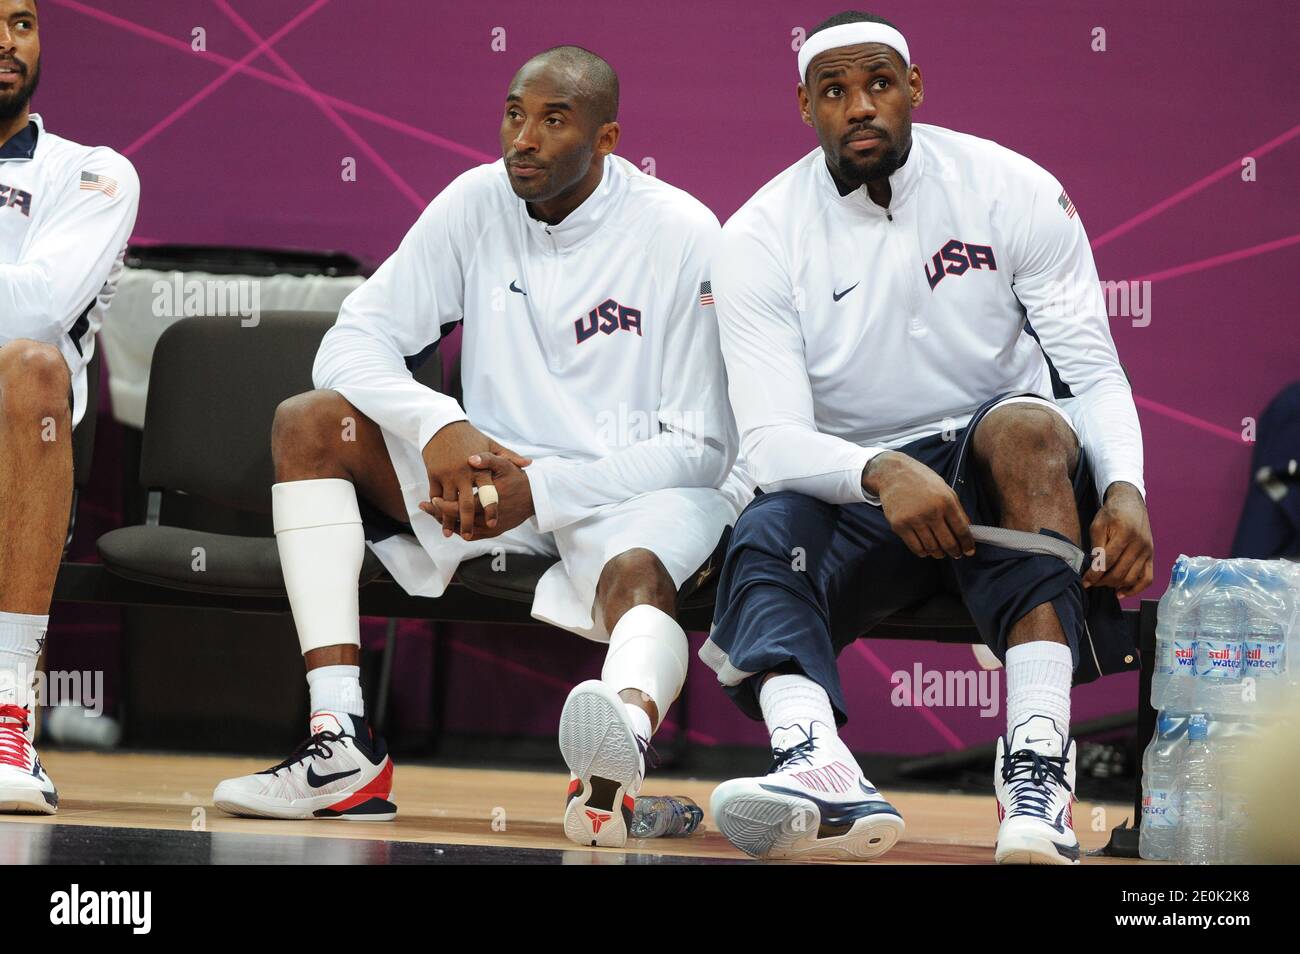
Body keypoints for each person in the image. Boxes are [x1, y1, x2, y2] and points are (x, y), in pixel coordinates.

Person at [213, 46, 742, 848]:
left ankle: (615, 769)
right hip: (490, 481)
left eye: (553, 120)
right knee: (311, 420)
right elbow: (351, 342)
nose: (521, 139)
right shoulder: (476, 201)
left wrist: (549, 490)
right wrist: (438, 424)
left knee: (636, 574)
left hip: (635, 490)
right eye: (513, 113)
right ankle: (341, 742)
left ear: (607, 139)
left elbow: (702, 447)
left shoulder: (681, 229)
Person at [703, 11, 1152, 863]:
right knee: (763, 533)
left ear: (915, 88)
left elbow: (1090, 374)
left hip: (997, 472)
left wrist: (1127, 486)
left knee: (1028, 428)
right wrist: (880, 471)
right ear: (806, 107)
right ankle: (819, 767)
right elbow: (768, 439)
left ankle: (1037, 776)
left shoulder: (1009, 188)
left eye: (878, 84)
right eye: (834, 91)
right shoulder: (759, 235)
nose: (860, 106)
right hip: (862, 485)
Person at [0, 0, 140, 814]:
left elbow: (38, 311)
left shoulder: (95, 172)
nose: (5, 41)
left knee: (28, 365)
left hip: (24, 430)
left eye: (21, 21)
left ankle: (9, 711)